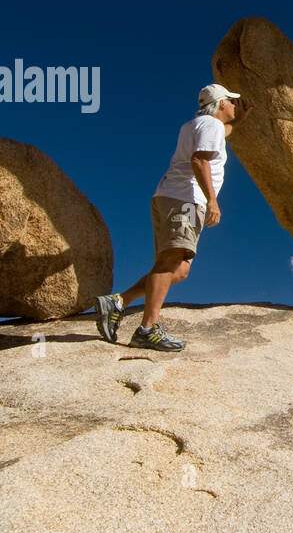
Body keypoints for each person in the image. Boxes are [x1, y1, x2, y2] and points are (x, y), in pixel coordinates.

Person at [94, 83, 248, 350]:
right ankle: (147, 330)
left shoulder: (195, 125)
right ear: (222, 103)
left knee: (179, 269)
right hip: (185, 199)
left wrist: (241, 120)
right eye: (232, 102)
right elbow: (199, 160)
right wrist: (212, 200)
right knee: (169, 263)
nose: (235, 105)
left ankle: (118, 302)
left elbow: (220, 136)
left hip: (168, 197)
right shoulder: (210, 126)